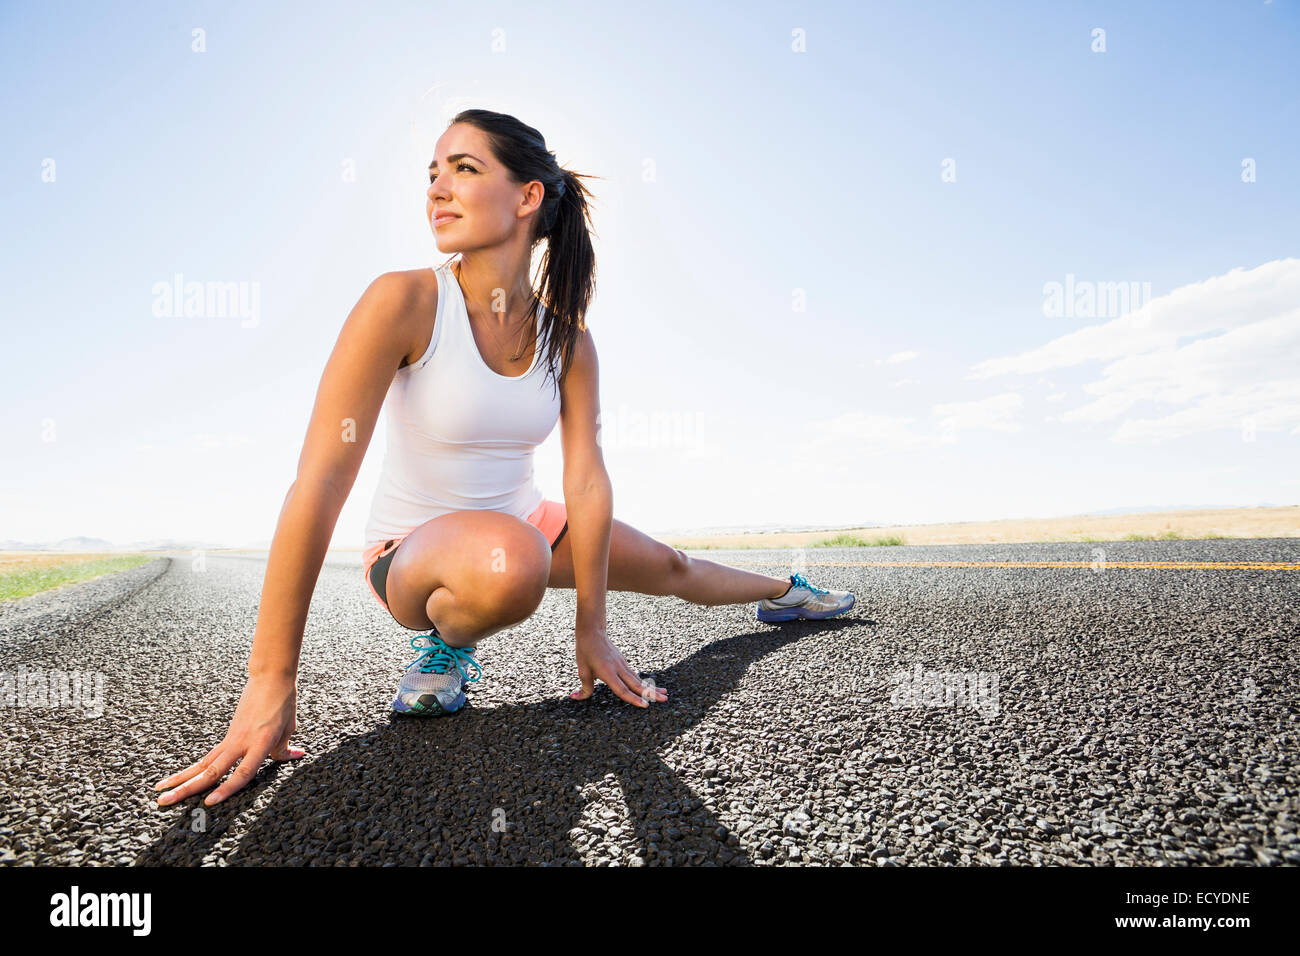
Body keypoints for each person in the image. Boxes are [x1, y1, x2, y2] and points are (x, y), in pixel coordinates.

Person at [154, 108, 853, 808]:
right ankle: (447, 647)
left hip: (525, 525)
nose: (436, 189)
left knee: (671, 566)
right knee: (513, 559)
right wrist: (269, 683)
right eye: (432, 173)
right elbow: (320, 478)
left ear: (527, 197)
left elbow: (585, 478)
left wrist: (594, 625)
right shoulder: (402, 301)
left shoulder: (568, 341)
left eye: (464, 169)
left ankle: (785, 594)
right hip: (412, 556)